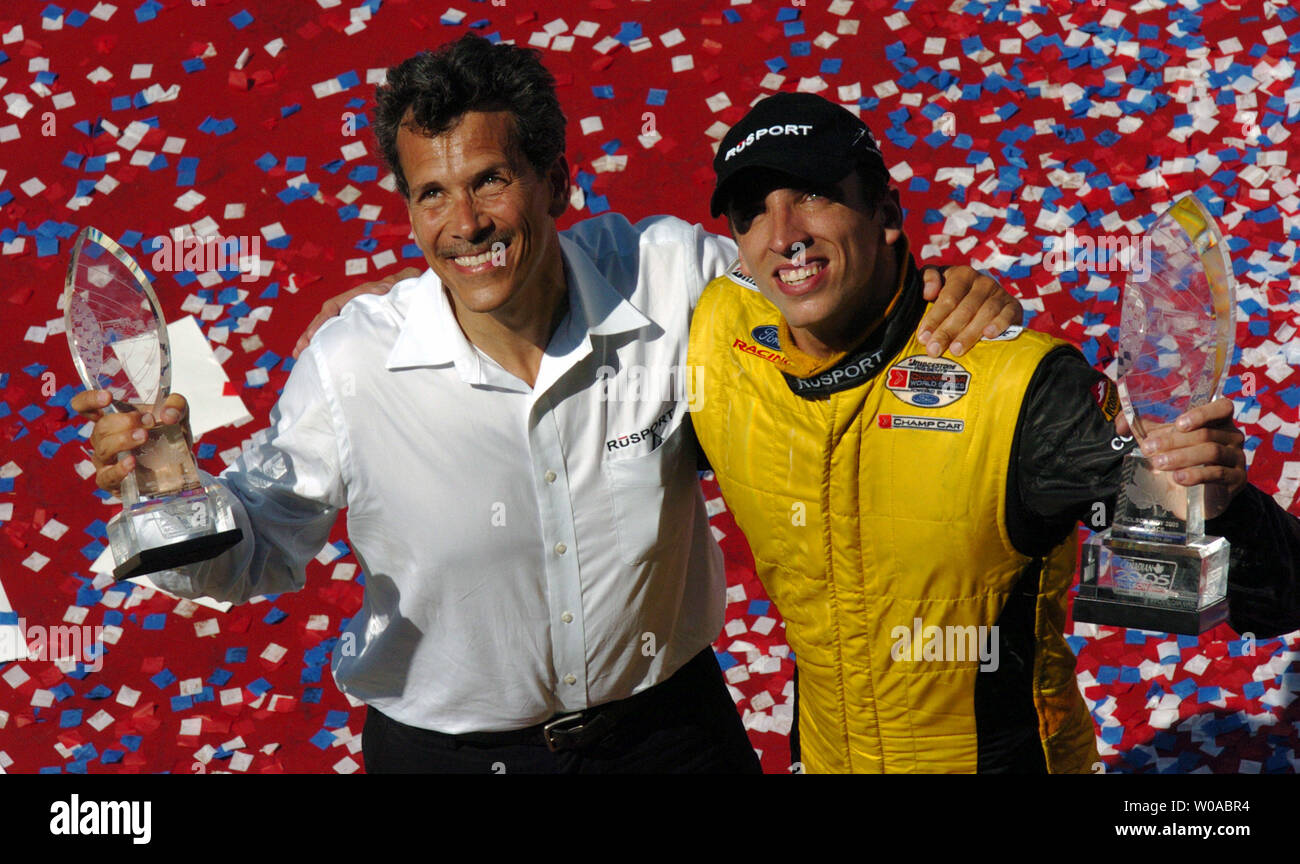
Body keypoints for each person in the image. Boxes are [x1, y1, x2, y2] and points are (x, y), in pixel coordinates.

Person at [70, 35, 1018, 774]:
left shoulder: (672, 279)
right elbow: (260, 551)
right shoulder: (355, 363)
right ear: (407, 212)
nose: (465, 220)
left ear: (556, 181)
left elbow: (818, 286)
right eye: (431, 195)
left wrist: (936, 289)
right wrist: (169, 487)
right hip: (447, 764)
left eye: (489, 179)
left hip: (672, 740)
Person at [688, 91, 1300, 773]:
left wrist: (1219, 508)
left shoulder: (1021, 389)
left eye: (810, 195)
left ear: (887, 215)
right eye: (752, 211)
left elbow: (1265, 595)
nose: (782, 234)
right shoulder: (718, 339)